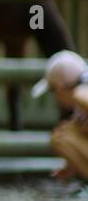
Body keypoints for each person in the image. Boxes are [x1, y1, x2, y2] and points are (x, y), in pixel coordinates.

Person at [33, 50, 88, 189]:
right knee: (68, 131)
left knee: (61, 137)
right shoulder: (79, 108)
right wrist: (73, 166)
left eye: (52, 91)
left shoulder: (80, 94)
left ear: (60, 89)